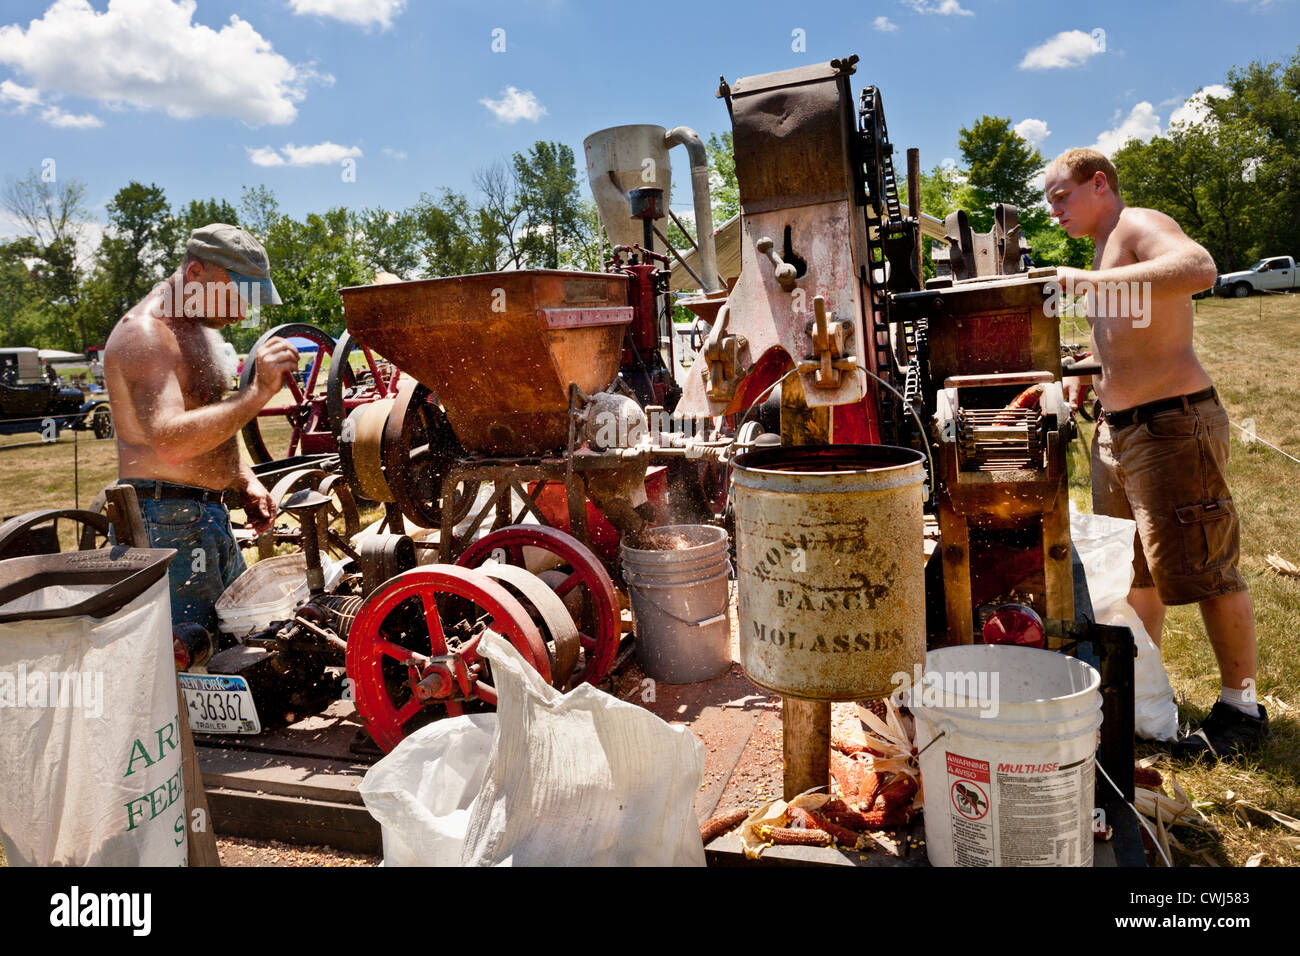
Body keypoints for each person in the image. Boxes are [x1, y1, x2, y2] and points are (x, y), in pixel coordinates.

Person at [1044, 148, 1268, 760]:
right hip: (1119, 432)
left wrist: (1085, 284)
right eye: (1048, 199)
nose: (1053, 208)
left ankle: (1242, 708)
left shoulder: (1139, 223)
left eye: (1062, 195)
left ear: (1099, 183)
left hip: (1172, 427)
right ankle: (1144, 693)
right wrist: (1085, 374)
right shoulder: (1102, 245)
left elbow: (1199, 269)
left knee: (1207, 569)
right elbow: (1125, 333)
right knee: (1132, 571)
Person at [104, 224, 298, 636]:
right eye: (239, 295)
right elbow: (171, 441)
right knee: (184, 665)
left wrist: (242, 478)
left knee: (239, 644)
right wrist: (257, 393)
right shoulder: (147, 334)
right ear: (195, 274)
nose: (244, 311)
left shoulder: (196, 330)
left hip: (201, 516)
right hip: (164, 525)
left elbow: (206, 415)